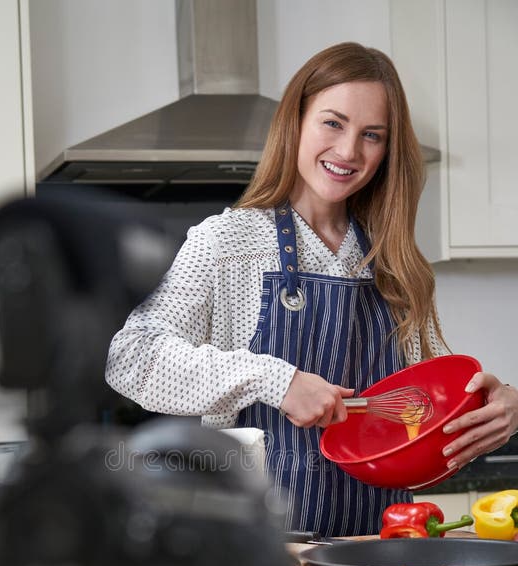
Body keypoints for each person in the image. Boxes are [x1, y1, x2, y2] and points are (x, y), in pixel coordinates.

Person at [105, 41, 518, 536]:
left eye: (372, 135)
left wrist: (493, 408)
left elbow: (412, 417)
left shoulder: (390, 261)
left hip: (378, 546)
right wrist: (275, 381)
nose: (348, 151)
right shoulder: (227, 240)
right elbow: (130, 358)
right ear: (295, 121)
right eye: (333, 122)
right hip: (263, 552)